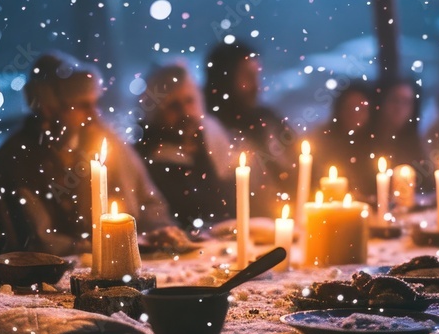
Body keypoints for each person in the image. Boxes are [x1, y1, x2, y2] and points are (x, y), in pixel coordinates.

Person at [0, 52, 179, 255]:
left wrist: (159, 231)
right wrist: (98, 248)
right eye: (83, 106)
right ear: (50, 108)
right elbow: (38, 242)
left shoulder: (105, 141)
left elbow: (149, 202)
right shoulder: (17, 160)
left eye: (95, 103)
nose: (94, 115)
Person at [135, 63, 235, 228]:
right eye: (173, 106)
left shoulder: (212, 138)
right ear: (157, 112)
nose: (185, 112)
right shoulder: (150, 159)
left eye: (190, 101)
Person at [204, 41, 294, 215]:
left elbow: (296, 165)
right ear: (225, 79)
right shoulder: (208, 129)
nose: (256, 85)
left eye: (257, 76)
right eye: (247, 77)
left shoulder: (267, 120)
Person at [312, 82, 375, 197]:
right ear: (339, 109)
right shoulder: (324, 142)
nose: (354, 114)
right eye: (349, 107)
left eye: (360, 109)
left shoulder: (375, 144)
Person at [369, 77, 427, 186]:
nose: (399, 108)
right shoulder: (366, 141)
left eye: (406, 102)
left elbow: (426, 185)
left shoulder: (415, 144)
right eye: (395, 100)